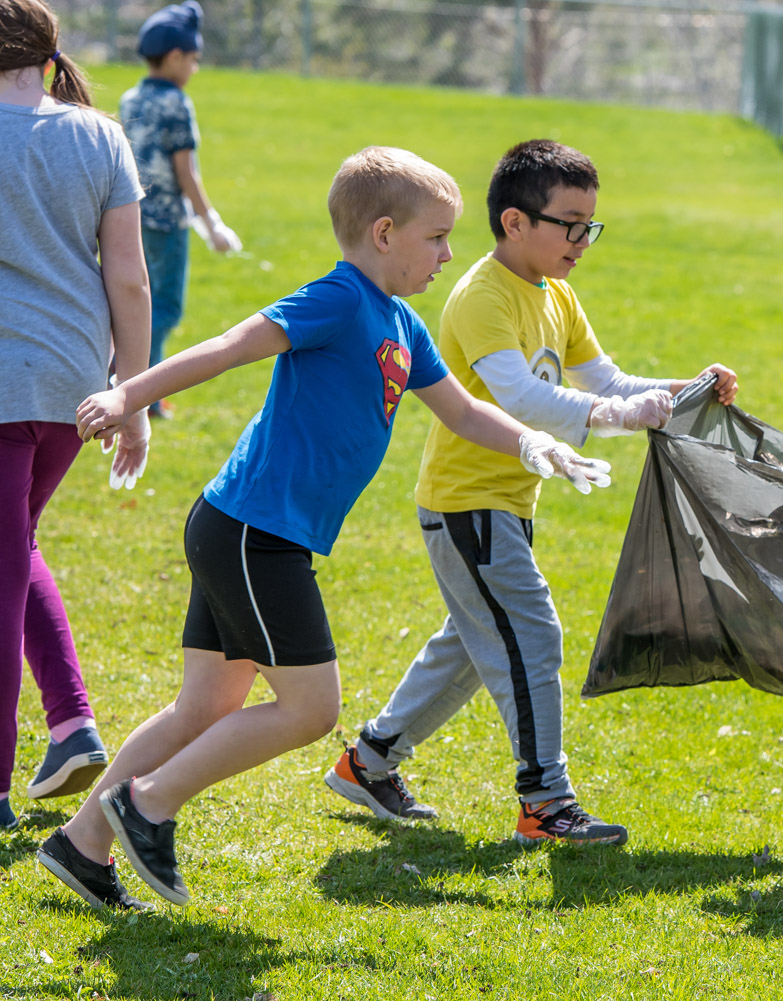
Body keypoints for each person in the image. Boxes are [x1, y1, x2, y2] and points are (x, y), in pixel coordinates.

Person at [36, 146, 610, 911]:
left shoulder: (402, 321)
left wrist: (537, 446)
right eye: (436, 238)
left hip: (245, 529)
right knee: (311, 708)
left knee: (203, 706)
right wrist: (126, 395)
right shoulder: (338, 300)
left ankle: (81, 843)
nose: (448, 254)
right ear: (384, 233)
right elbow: (230, 346)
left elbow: (466, 411)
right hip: (254, 533)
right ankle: (146, 803)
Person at [324, 139, 737, 848]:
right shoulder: (482, 295)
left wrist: (683, 388)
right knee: (530, 633)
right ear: (515, 223)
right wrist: (616, 416)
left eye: (589, 225)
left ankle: (368, 762)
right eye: (569, 224)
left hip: (508, 502)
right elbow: (520, 395)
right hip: (467, 502)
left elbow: (607, 381)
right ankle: (545, 800)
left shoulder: (557, 294)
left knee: (472, 642)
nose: (582, 241)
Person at [0, 0, 151, 833]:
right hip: (73, 384)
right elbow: (129, 278)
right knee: (12, 544)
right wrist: (133, 396)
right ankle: (70, 727)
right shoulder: (101, 135)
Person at [120, 0, 241, 420]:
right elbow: (185, 171)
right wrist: (212, 223)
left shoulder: (130, 98)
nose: (195, 68)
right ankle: (143, 392)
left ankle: (124, 376)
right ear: (174, 56)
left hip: (129, 217)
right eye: (193, 59)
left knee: (135, 299)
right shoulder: (177, 102)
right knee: (165, 307)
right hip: (168, 222)